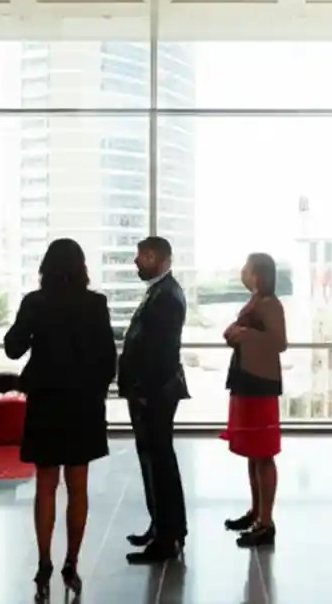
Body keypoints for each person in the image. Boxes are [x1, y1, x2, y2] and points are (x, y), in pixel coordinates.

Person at [4, 239, 117, 597]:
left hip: (47, 402)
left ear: (46, 267)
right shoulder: (96, 303)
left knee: (45, 486)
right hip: (83, 403)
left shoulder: (35, 303)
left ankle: (43, 563)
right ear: (82, 266)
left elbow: (13, 347)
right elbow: (107, 358)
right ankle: (72, 561)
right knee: (78, 486)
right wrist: (94, 390)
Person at [118, 236, 190, 564]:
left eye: (140, 257)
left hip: (155, 391)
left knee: (159, 462)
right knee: (152, 459)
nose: (136, 262)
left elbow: (162, 350)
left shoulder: (167, 296)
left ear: (154, 256)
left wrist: (145, 389)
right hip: (150, 390)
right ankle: (162, 525)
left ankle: (168, 536)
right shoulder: (161, 291)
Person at [221, 253, 287, 548]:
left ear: (258, 274)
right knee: (252, 451)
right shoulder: (256, 301)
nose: (242, 273)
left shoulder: (271, 304)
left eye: (246, 269)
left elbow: (279, 342)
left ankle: (266, 521)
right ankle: (256, 512)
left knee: (263, 453)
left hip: (261, 384)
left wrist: (244, 334)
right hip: (246, 380)